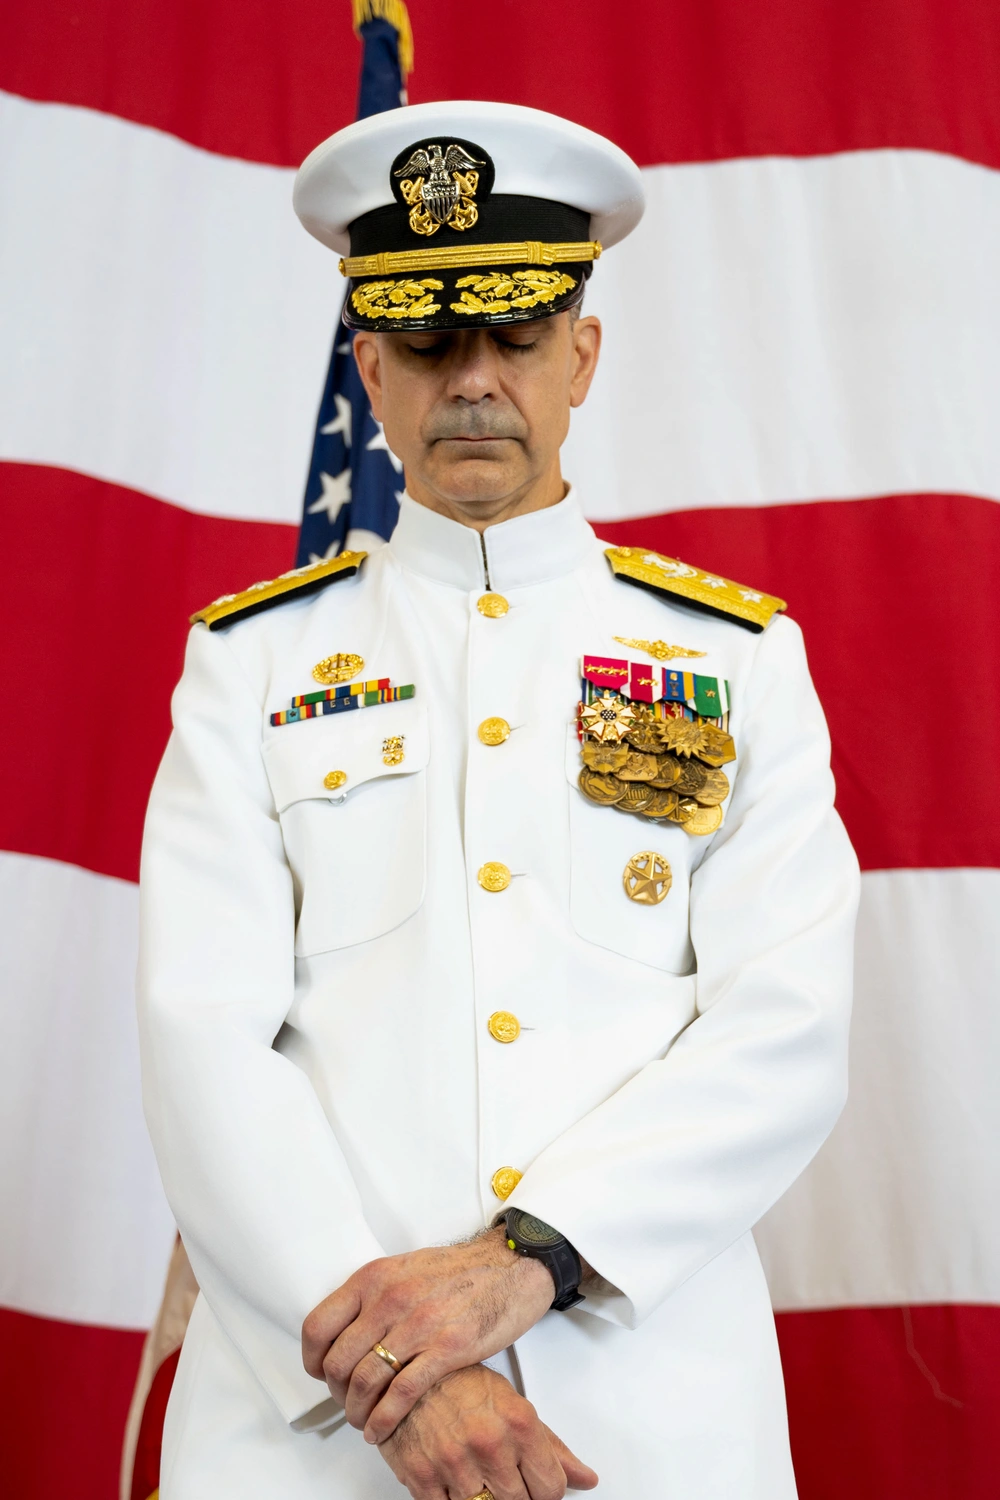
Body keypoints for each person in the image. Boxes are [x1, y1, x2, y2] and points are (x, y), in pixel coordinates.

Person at [137, 100, 860, 1500]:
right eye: (427, 342)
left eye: (517, 336)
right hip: (314, 1429)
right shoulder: (250, 663)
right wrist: (400, 1369)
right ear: (371, 369)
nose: (473, 380)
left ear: (581, 355)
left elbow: (786, 1028)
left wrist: (522, 1267)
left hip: (648, 1418)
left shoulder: (736, 662)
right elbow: (201, 1041)